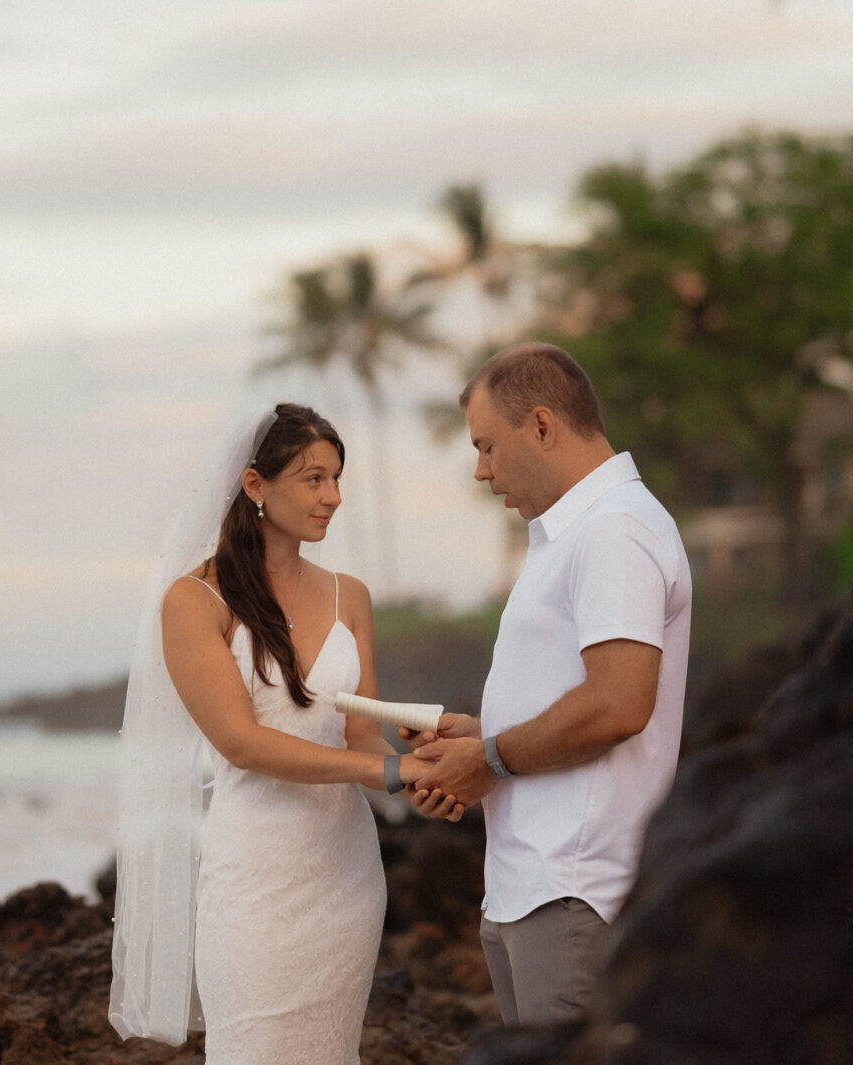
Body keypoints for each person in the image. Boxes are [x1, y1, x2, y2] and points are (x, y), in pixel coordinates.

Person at [109, 403, 453, 1062]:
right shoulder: (194, 600)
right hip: (257, 884)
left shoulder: (350, 594)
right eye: (313, 478)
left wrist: (425, 772)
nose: (334, 495)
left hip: (347, 877)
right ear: (255, 485)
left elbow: (363, 735)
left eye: (336, 477)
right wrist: (386, 773)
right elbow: (240, 742)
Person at [408, 342, 693, 1027]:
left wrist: (491, 758)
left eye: (486, 447)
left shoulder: (614, 530)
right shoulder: (569, 535)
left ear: (541, 426)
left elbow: (621, 703)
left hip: (574, 889)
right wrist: (477, 738)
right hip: (529, 887)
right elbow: (580, 692)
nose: (480, 471)